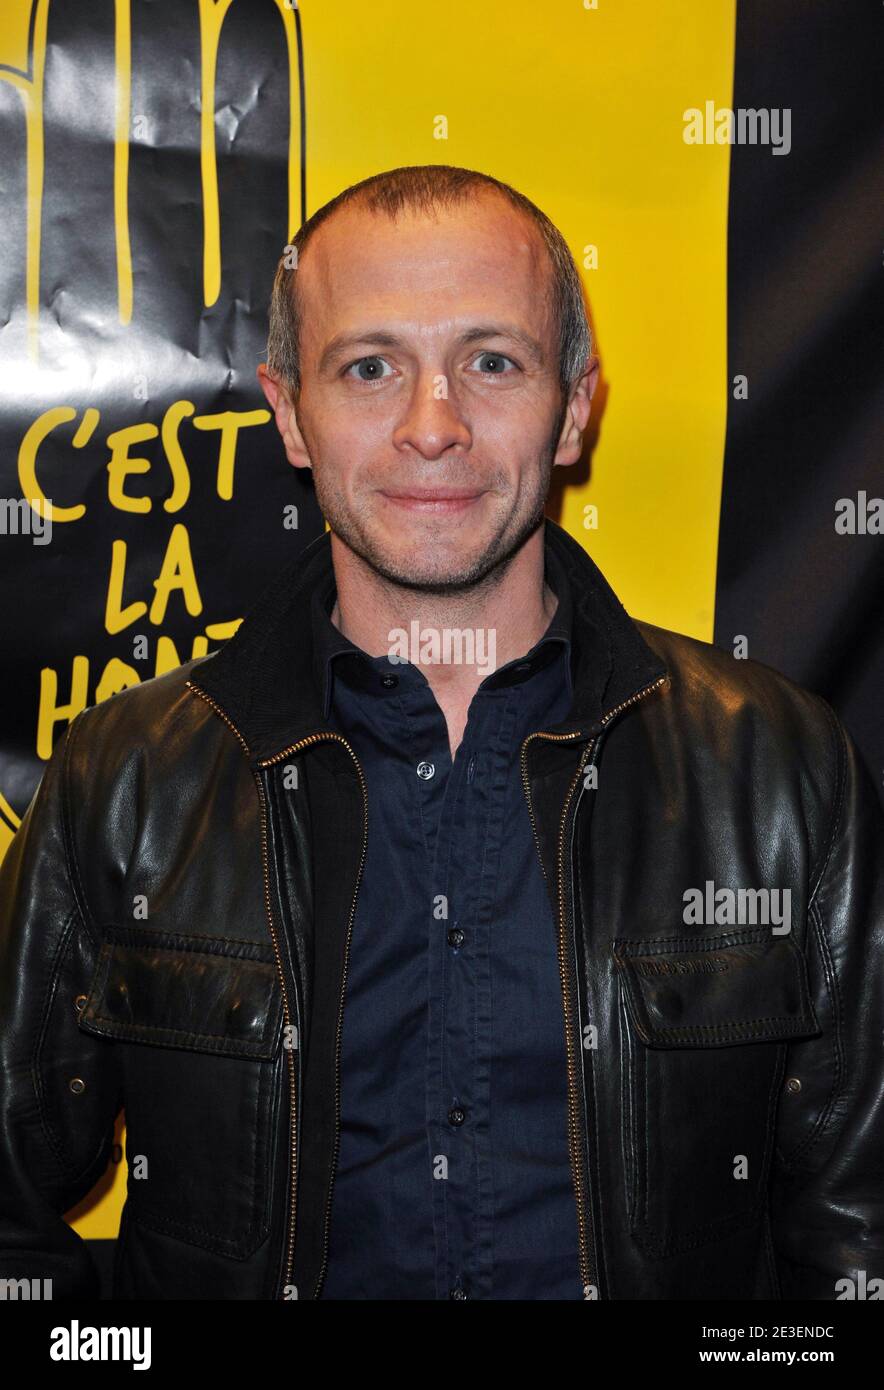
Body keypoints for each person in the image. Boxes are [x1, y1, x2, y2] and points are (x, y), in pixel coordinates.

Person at [1, 164, 881, 1301]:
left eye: (491, 362)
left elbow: (858, 1243)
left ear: (572, 406)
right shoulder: (122, 780)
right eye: (370, 367)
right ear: (288, 412)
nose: (434, 427)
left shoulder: (780, 769)